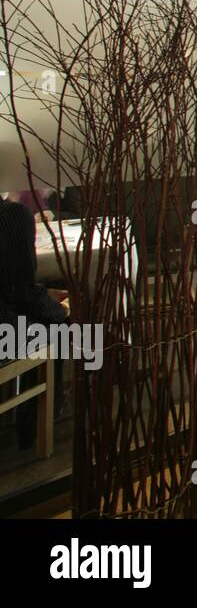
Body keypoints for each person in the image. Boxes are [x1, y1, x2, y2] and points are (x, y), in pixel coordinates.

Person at [1, 157, 70, 450]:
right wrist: (60, 310)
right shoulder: (12, 217)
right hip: (5, 335)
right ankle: (36, 424)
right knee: (52, 323)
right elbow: (23, 293)